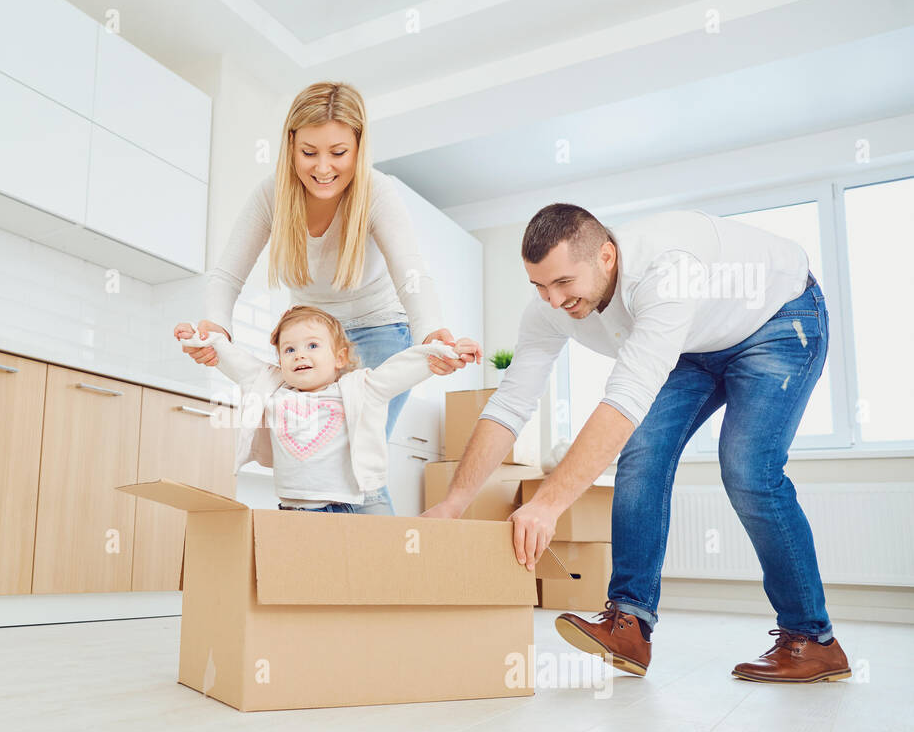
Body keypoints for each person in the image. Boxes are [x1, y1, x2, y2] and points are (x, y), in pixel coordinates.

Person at [424, 204, 850, 684]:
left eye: (564, 283)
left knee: (748, 469)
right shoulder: (548, 308)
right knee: (642, 456)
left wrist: (546, 506)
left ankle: (813, 639)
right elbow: (511, 403)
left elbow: (625, 399)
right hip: (699, 342)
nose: (553, 299)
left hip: (778, 318)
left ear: (606, 256)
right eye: (539, 286)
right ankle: (630, 624)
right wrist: (454, 502)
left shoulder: (665, 272)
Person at [181, 81, 472, 515]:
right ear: (291, 146)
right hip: (312, 337)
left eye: (338, 153)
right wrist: (215, 326)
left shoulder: (377, 191)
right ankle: (316, 569)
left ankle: (378, 578)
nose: (322, 168)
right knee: (313, 464)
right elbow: (226, 275)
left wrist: (431, 334)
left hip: (380, 331)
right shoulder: (272, 195)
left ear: (359, 147)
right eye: (309, 152)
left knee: (356, 462)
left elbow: (411, 274)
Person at [177, 305, 476, 512]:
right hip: (292, 509)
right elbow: (233, 358)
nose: (299, 355)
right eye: (289, 349)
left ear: (339, 357)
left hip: (348, 507)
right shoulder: (273, 385)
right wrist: (198, 338)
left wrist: (445, 353)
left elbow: (403, 368)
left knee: (368, 580)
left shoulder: (359, 388)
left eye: (312, 346)